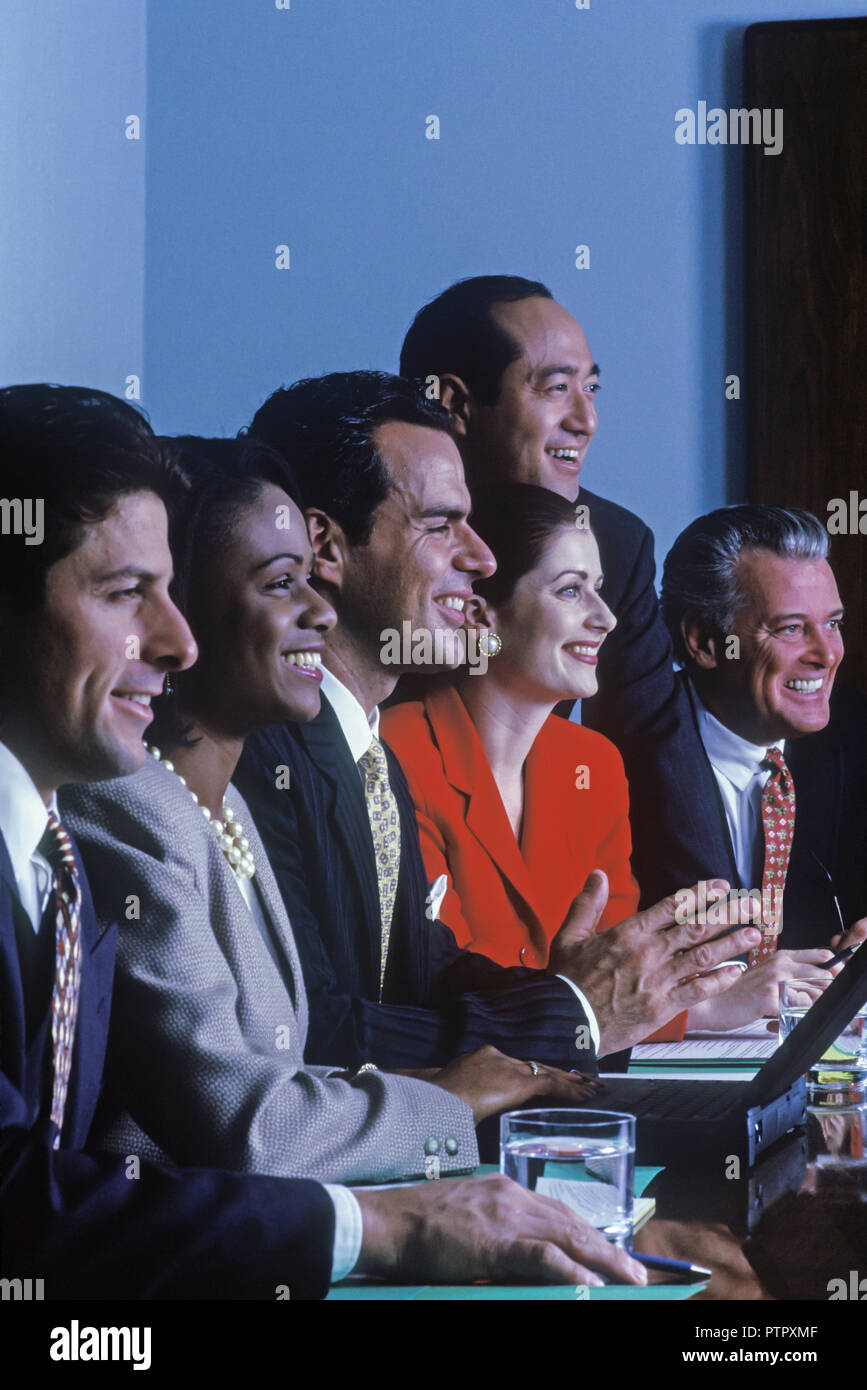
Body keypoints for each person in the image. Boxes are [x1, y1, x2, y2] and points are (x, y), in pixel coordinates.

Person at [0, 383, 644, 1297]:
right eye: (125, 593)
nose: (172, 640)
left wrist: (553, 1019)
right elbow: (250, 1118)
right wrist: (407, 1177)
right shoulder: (120, 809)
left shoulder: (207, 806)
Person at [65, 432, 598, 1185]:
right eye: (281, 584)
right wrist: (446, 1100)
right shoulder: (123, 816)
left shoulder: (230, 813)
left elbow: (292, 1071)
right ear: (183, 608)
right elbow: (252, 1126)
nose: (320, 610)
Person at [239, 370, 761, 1068]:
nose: (478, 558)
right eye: (439, 524)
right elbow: (319, 1034)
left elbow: (428, 973)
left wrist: (628, 991)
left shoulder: (368, 756)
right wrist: (574, 1011)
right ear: (326, 548)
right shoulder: (260, 758)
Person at [383, 486, 822, 1034]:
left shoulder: (593, 765)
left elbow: (622, 970)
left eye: (601, 590)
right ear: (480, 616)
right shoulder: (394, 755)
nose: (607, 619)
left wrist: (701, 994)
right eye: (571, 591)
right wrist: (691, 1004)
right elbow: (439, 989)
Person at [399, 275, 734, 905]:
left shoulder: (615, 539)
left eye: (592, 389)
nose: (586, 420)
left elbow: (660, 763)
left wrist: (728, 950)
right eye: (556, 389)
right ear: (454, 403)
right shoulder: (372, 530)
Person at [660, 505, 867, 978]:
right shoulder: (624, 757)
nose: (826, 654)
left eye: (833, 623)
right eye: (791, 628)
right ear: (705, 641)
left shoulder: (856, 737)